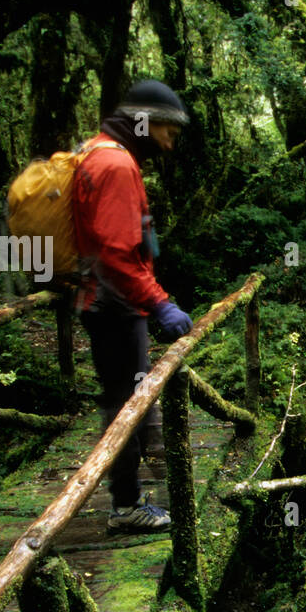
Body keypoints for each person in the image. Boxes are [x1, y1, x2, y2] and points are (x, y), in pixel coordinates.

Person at [72, 80, 193, 531]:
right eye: (169, 132)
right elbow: (116, 251)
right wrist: (159, 304)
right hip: (115, 305)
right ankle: (126, 505)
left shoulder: (95, 151)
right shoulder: (117, 164)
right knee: (124, 403)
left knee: (135, 395)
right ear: (147, 122)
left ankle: (160, 478)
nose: (169, 143)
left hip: (102, 299)